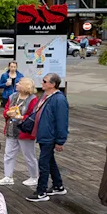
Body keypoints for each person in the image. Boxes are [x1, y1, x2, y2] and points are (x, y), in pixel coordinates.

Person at [25, 72, 69, 203]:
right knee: (49, 161)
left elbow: (62, 121)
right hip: (43, 133)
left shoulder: (59, 99)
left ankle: (41, 191)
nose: (42, 83)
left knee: (43, 163)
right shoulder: (45, 96)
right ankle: (58, 185)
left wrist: (60, 140)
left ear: (53, 84)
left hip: (49, 136)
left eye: (45, 81)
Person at [0, 78, 38, 186]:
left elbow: (33, 115)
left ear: (26, 86)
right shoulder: (13, 96)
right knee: (9, 154)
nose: (17, 84)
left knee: (29, 155)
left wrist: (21, 117)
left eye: (20, 83)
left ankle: (34, 176)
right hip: (11, 129)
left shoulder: (33, 99)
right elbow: (6, 109)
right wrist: (7, 113)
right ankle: (8, 176)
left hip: (25, 131)